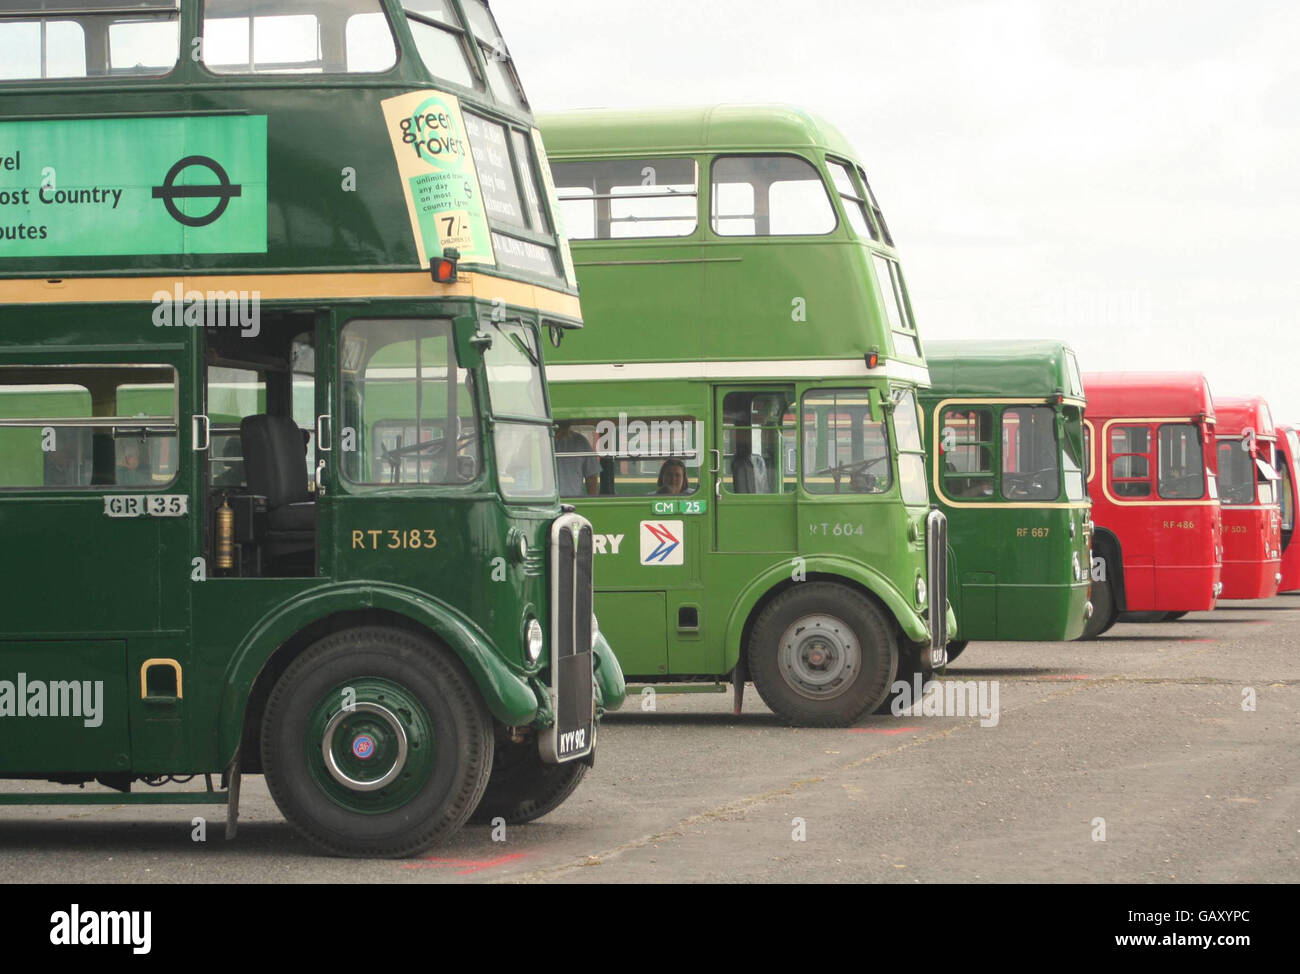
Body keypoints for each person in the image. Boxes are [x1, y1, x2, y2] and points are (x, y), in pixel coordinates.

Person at [555, 421, 600, 496]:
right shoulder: (540, 440)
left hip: (573, 500)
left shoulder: (580, 441)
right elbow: (591, 476)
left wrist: (593, 500)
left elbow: (591, 477)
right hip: (549, 500)